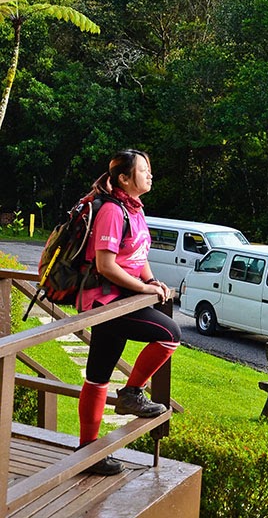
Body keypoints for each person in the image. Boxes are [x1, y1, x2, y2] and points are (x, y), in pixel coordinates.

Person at [78, 149, 181, 476]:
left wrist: (150, 279)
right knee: (170, 336)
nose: (150, 175)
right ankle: (132, 393)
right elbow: (105, 265)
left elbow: (137, 253)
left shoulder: (132, 209)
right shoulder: (111, 210)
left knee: (97, 377)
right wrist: (144, 289)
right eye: (144, 170)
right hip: (109, 301)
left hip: (123, 298)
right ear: (124, 178)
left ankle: (87, 452)